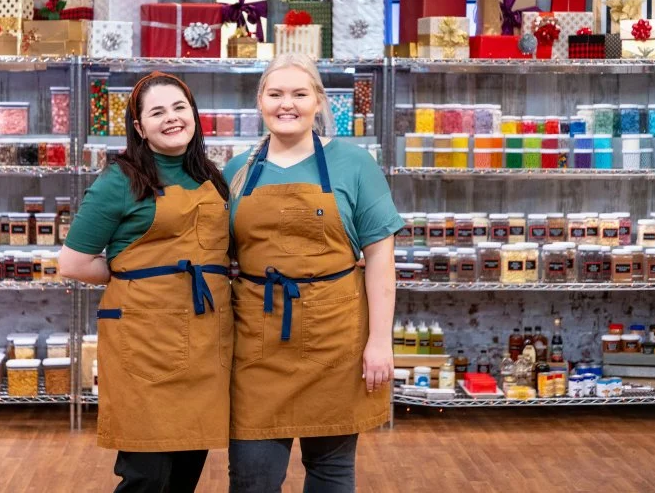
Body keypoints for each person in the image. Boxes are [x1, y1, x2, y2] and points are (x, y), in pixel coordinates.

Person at [222, 53, 403, 492]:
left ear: (319, 102)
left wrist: (380, 342)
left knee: (331, 473)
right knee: (252, 478)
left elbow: (381, 258)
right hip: (258, 343)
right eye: (276, 93)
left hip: (334, 337)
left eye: (300, 94)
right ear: (260, 102)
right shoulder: (236, 171)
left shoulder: (354, 164)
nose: (288, 104)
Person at [59, 72, 233, 493]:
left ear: (195, 115)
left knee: (186, 468)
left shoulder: (211, 176)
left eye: (180, 108)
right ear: (139, 127)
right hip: (144, 344)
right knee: (146, 477)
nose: (172, 118)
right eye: (157, 112)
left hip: (204, 341)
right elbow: (73, 262)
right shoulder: (120, 180)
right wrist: (134, 277)